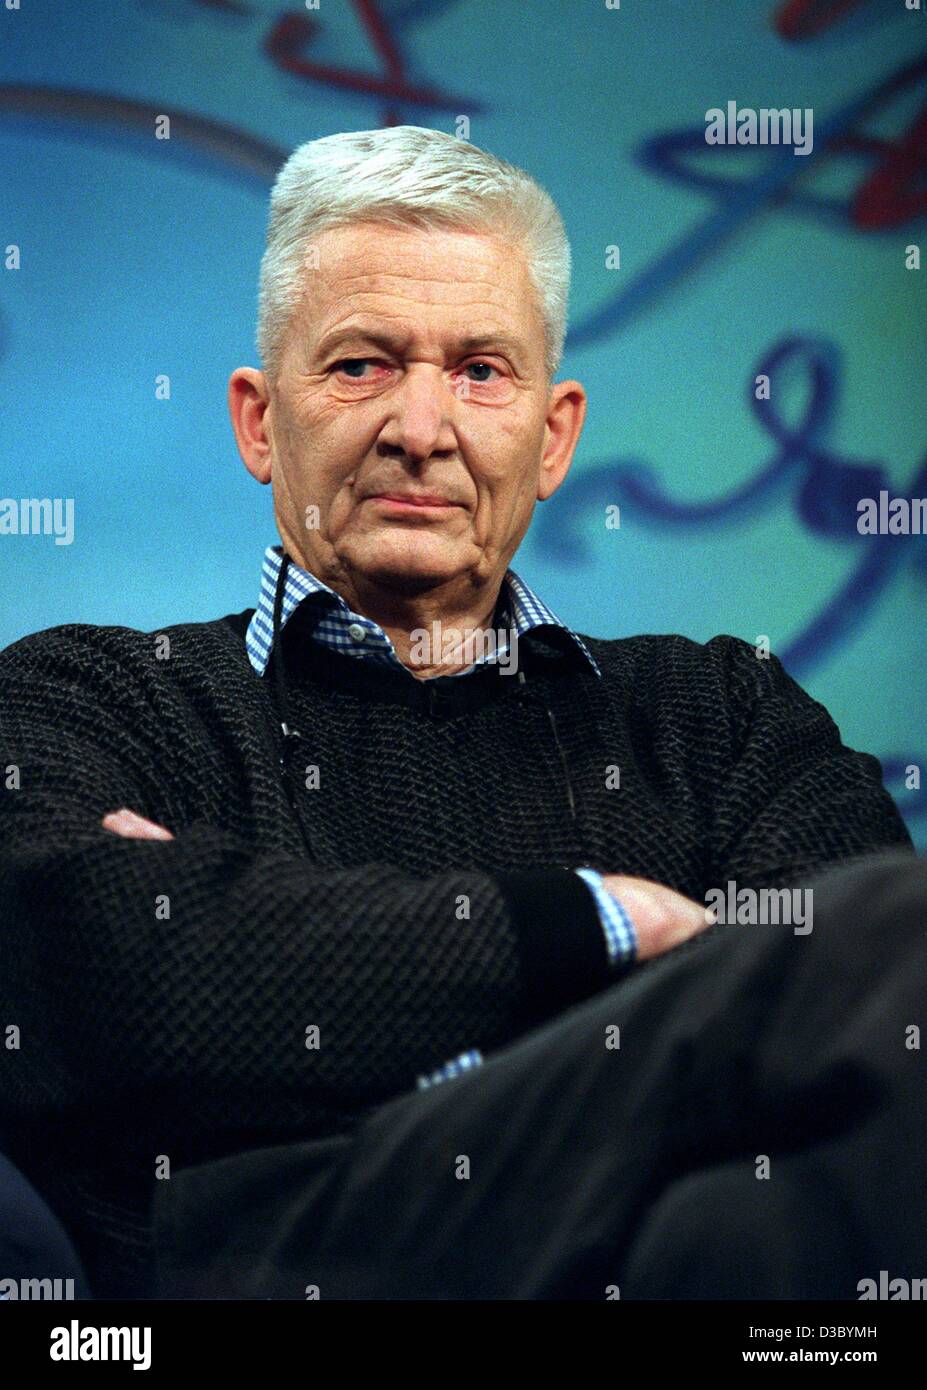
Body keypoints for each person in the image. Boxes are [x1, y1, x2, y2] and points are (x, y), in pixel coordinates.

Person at [0, 125, 916, 1301]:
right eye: (361, 364)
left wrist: (272, 958)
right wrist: (611, 928)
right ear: (258, 420)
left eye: (481, 371)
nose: (421, 429)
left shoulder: (721, 714)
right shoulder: (95, 698)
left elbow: (856, 1017)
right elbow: (104, 973)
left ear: (554, 434)